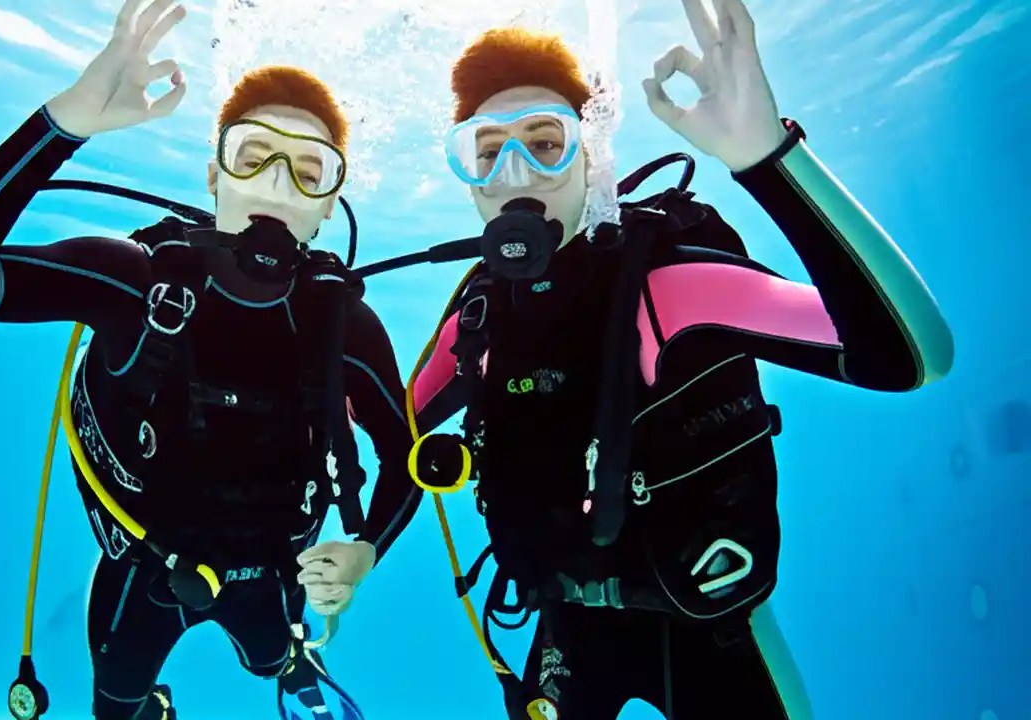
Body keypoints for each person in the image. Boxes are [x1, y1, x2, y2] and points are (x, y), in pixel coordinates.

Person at [316, 1, 954, 718]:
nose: (514, 171)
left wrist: (768, 158)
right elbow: (377, 421)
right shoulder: (478, 321)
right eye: (486, 150)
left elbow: (912, 357)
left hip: (710, 627)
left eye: (545, 141)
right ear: (466, 175)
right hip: (564, 631)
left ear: (593, 156)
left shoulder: (671, 284)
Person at [0, 2, 417, 719]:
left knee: (274, 658)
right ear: (213, 174)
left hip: (273, 572)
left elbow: (405, 458)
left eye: (310, 169)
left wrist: (363, 552)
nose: (275, 183)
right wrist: (62, 124)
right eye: (253, 153)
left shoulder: (345, 326)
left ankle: (293, 665)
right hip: (144, 568)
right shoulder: (134, 281)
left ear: (329, 207)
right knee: (120, 706)